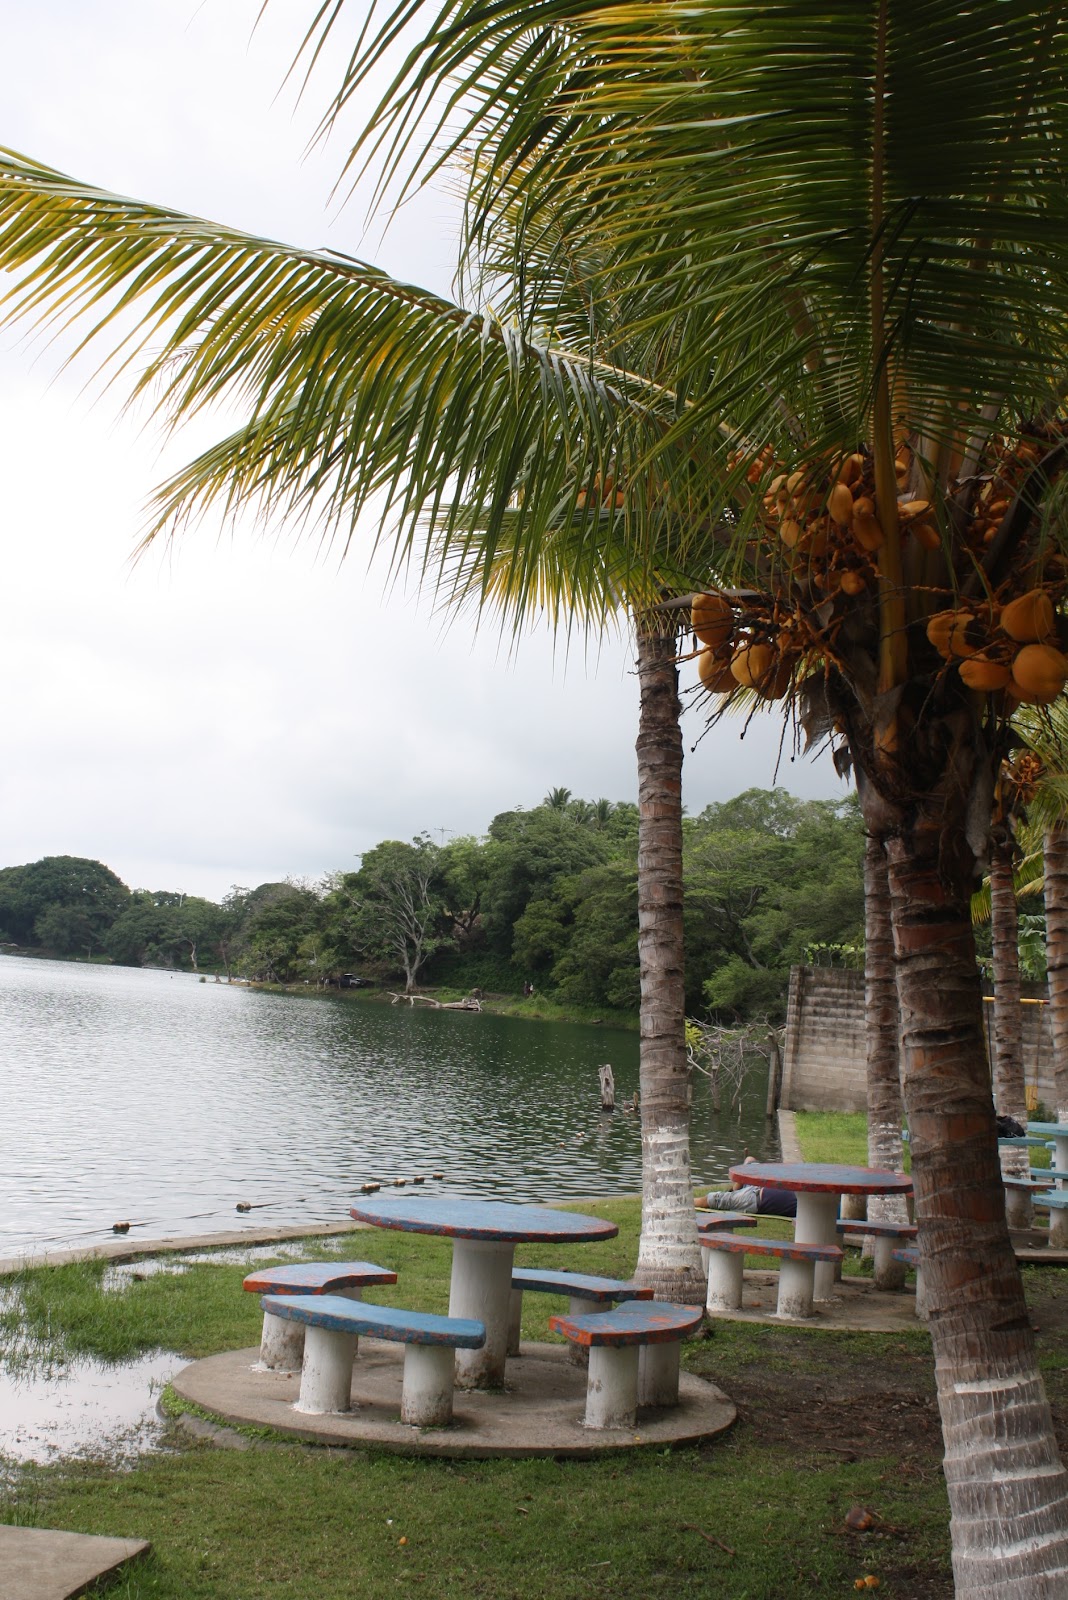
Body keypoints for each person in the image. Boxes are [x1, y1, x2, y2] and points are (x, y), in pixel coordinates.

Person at [701, 1157, 798, 1218]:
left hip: (753, 1199)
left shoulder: (806, 1208)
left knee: (712, 1199)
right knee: (750, 1160)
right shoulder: (807, 1194)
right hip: (761, 1184)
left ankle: (686, 1203)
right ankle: (734, 1190)